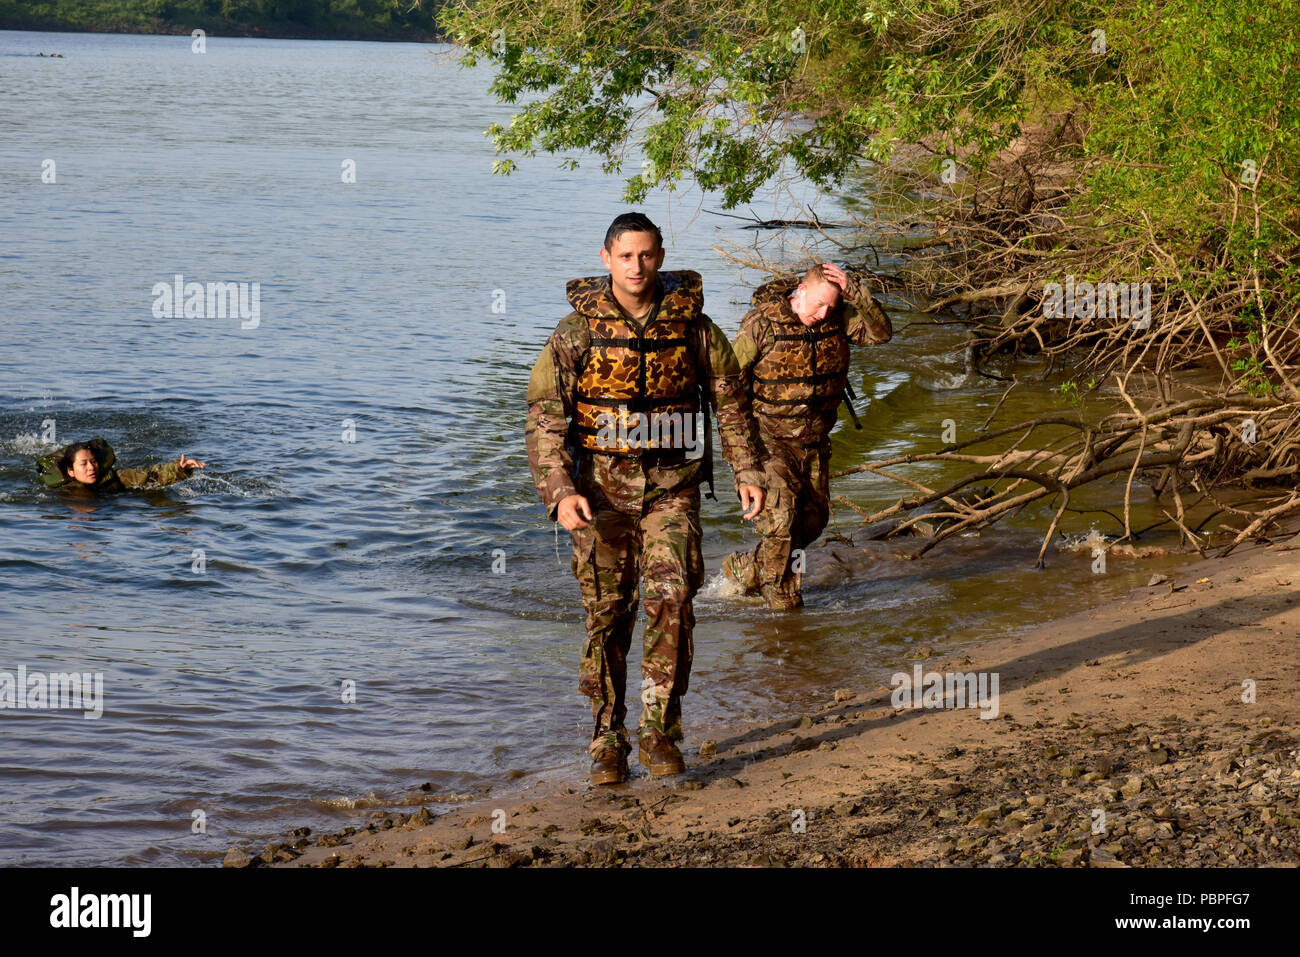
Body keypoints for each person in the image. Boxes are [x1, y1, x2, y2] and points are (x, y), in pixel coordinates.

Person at [526, 212, 765, 785]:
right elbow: (544, 419)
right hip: (597, 496)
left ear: (661, 256)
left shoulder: (695, 327)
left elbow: (730, 404)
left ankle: (660, 732)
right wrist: (559, 492)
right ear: (606, 259)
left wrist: (748, 471)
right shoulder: (574, 333)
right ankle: (607, 739)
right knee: (608, 618)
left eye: (648, 255)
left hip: (672, 492)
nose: (637, 267)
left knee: (673, 602)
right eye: (626, 256)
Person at [723, 263, 892, 609]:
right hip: (767, 441)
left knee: (812, 521)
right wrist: (741, 458)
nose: (822, 313)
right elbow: (725, 383)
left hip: (814, 441)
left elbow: (881, 333)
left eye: (831, 306)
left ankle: (749, 569)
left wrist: (855, 291)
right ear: (799, 292)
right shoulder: (762, 324)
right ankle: (785, 611)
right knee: (782, 520)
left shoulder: (838, 320)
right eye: (817, 304)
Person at [37, 438, 205, 491]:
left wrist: (178, 469)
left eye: (93, 462)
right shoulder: (62, 491)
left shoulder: (118, 478)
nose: (91, 467)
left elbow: (151, 475)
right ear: (71, 471)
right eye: (84, 464)